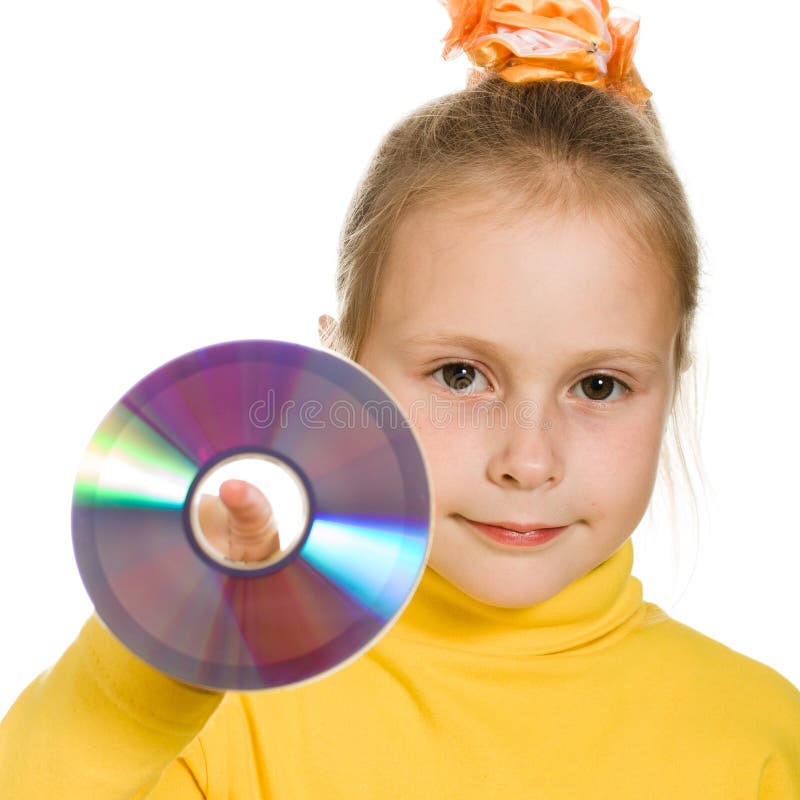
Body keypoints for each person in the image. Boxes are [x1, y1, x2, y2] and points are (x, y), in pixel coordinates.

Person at [2, 1, 799, 796]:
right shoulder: (217, 711)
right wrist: (163, 644)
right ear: (341, 371)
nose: (529, 461)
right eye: (461, 375)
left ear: (673, 377)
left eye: (598, 385)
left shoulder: (763, 741)